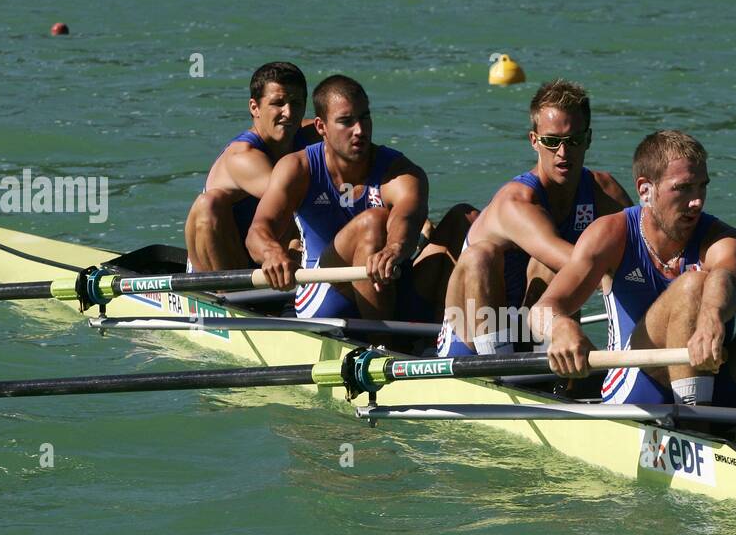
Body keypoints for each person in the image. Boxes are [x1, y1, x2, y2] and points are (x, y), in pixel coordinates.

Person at [531, 129, 736, 414]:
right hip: (638, 386)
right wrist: (561, 328)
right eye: (683, 188)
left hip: (716, 377)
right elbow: (541, 311)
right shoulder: (611, 234)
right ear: (645, 190)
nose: (697, 200)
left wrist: (712, 316)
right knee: (692, 285)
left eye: (702, 186)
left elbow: (725, 275)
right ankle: (695, 424)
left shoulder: (725, 238)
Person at [436, 79, 632, 356]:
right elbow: (573, 263)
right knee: (486, 256)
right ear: (534, 141)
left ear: (588, 139)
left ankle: (550, 373)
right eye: (552, 142)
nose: (563, 153)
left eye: (573, 140)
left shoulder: (605, 193)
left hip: (533, 328)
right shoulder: (516, 201)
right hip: (469, 338)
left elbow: (647, 248)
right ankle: (501, 370)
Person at [246, 75, 455, 321]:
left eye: (364, 117)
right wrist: (272, 253)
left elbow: (407, 217)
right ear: (321, 127)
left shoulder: (399, 171)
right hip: (325, 293)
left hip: (389, 283)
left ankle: (450, 337)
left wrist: (394, 248)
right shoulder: (297, 168)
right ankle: (387, 345)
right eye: (346, 121)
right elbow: (259, 230)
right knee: (372, 222)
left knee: (463, 218)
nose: (360, 130)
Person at [184, 62, 318, 272]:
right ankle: (227, 295)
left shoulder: (313, 133)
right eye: (278, 103)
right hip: (226, 264)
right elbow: (291, 206)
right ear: (254, 107)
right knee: (208, 204)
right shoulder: (243, 157)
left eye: (296, 103)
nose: (289, 113)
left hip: (270, 255)